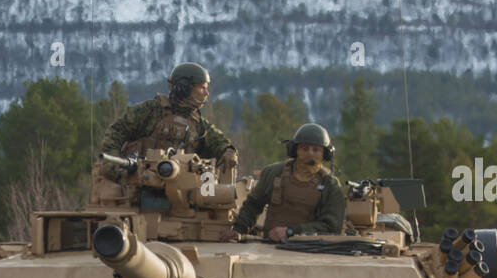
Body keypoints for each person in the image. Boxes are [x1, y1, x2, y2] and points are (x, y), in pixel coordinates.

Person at [100, 62, 237, 169]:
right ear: (184, 87)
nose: (206, 93)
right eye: (202, 87)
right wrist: (113, 159)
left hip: (179, 194)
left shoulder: (198, 124)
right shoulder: (151, 110)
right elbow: (117, 130)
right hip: (137, 187)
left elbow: (219, 142)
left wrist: (228, 151)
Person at [222, 123, 346, 242]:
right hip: (268, 245)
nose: (310, 154)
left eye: (316, 150)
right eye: (305, 148)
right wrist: (238, 230)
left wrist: (291, 231)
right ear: (295, 150)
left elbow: (331, 227)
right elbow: (253, 205)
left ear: (325, 154)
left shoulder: (330, 184)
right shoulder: (274, 173)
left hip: (309, 250)